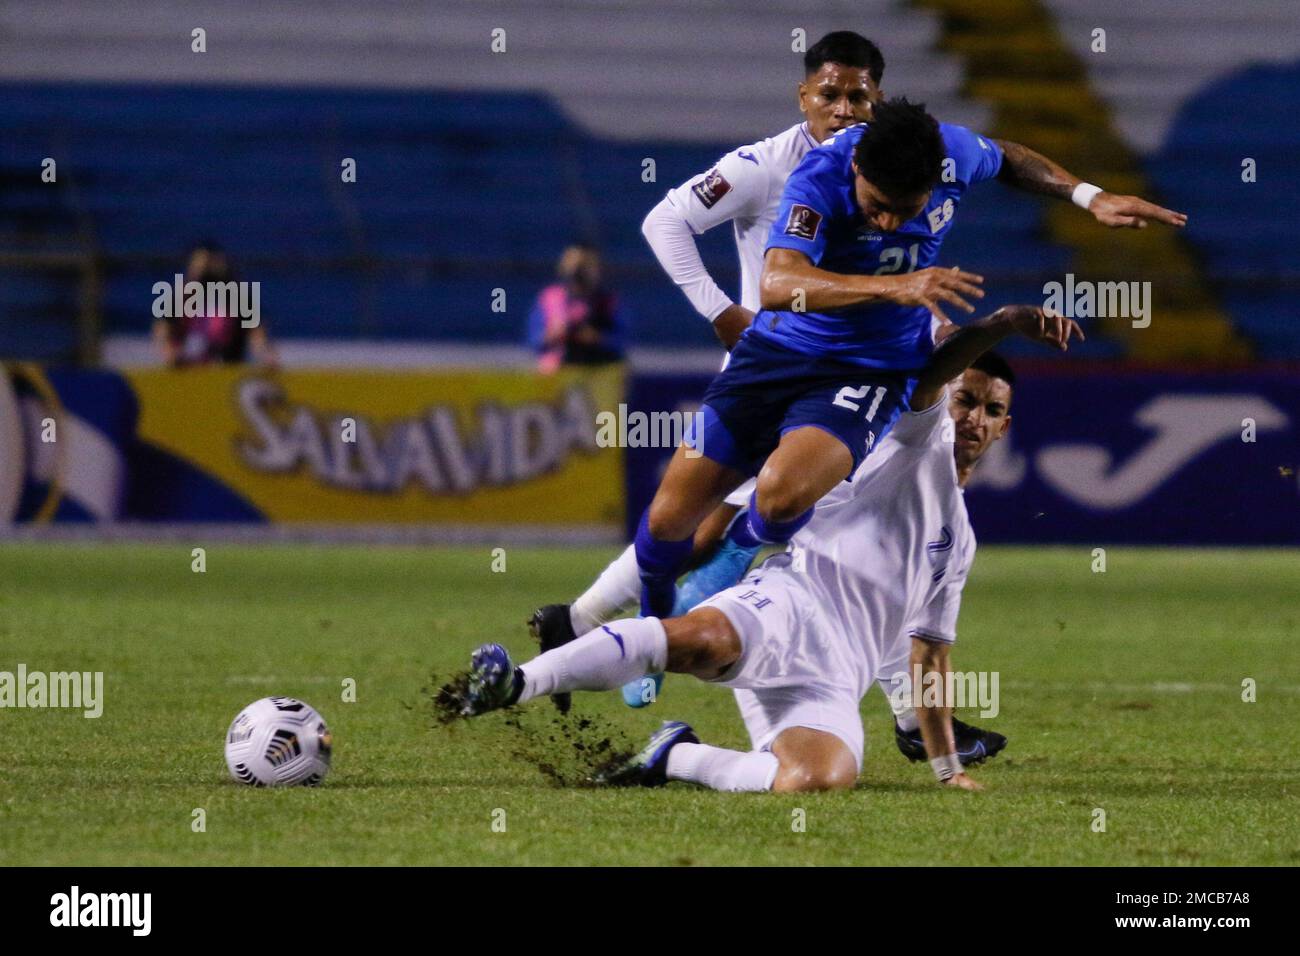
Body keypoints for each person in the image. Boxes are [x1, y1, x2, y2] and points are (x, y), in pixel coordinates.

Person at [444, 304, 1084, 793]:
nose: (973, 417)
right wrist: (1007, 322)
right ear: (947, 403)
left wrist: (948, 770)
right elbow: (939, 365)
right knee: (695, 640)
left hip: (835, 678)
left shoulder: (960, 541)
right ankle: (517, 682)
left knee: (816, 781)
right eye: (966, 400)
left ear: (1005, 426)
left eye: (990, 409)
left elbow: (929, 656)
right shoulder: (914, 439)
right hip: (790, 603)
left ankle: (676, 756)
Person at [629, 94, 1187, 631]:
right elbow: (777, 283)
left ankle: (739, 547)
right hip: (778, 352)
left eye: (906, 209)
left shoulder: (953, 152)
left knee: (781, 494)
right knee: (666, 522)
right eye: (877, 207)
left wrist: (1088, 196)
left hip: (873, 367)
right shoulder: (820, 175)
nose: (892, 223)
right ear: (856, 174)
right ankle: (654, 614)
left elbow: (1010, 157)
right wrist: (896, 286)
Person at [153, 242, 276, 368]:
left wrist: (264, 354)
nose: (207, 272)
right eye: (202, 267)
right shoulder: (179, 298)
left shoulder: (239, 298)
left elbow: (257, 334)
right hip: (185, 371)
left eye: (212, 265)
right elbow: (162, 329)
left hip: (226, 371)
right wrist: (168, 351)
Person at [527, 243, 629, 373]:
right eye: (574, 266)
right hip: (558, 373)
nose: (578, 272)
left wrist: (597, 338)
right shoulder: (550, 298)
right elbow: (533, 340)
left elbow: (622, 340)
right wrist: (553, 334)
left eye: (586, 266)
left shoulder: (609, 302)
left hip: (598, 373)